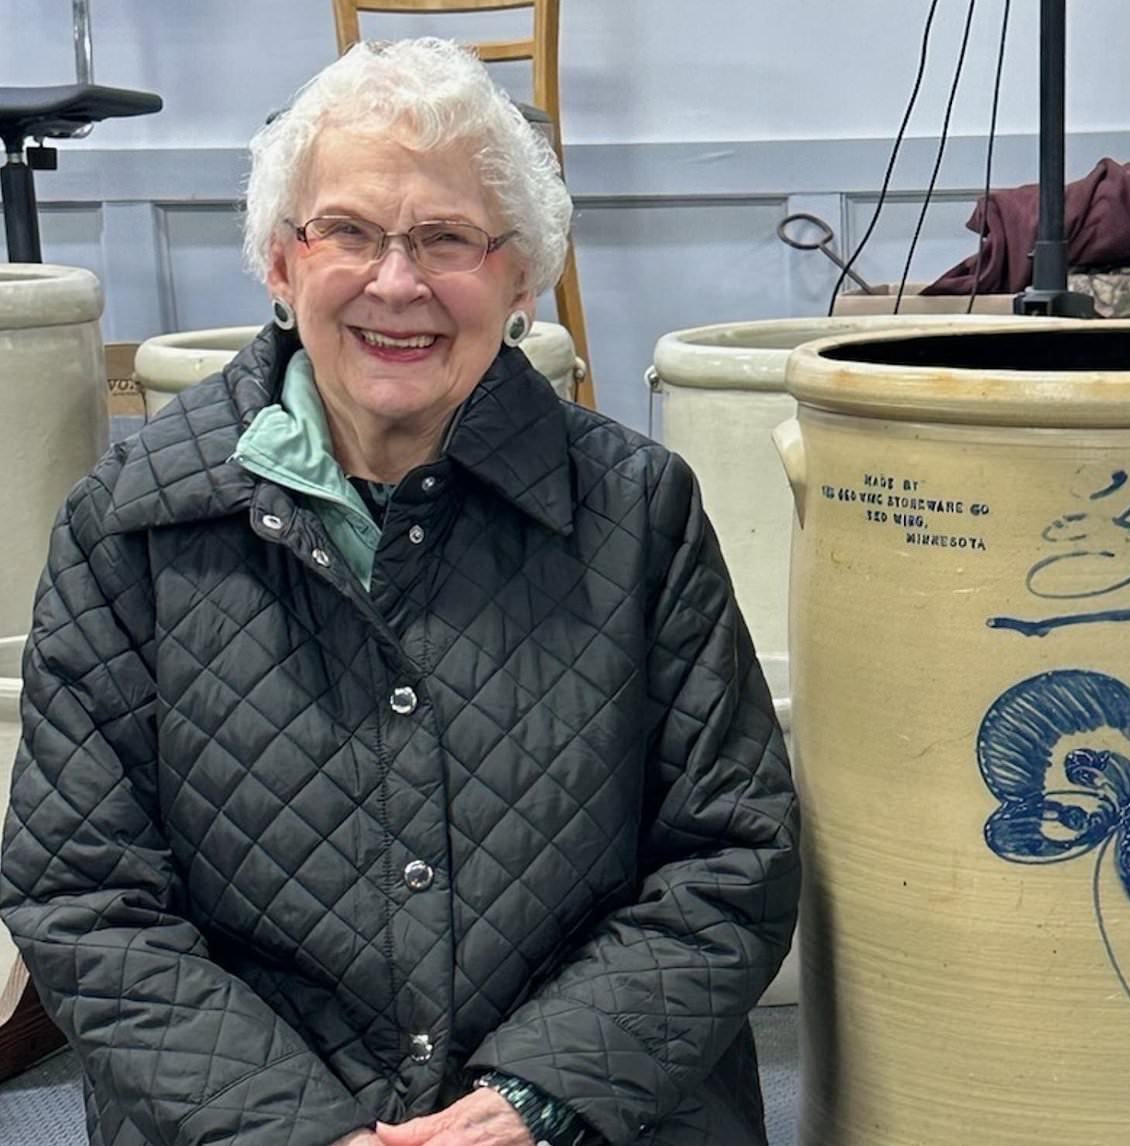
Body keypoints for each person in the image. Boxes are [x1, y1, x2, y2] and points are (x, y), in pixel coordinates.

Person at [0, 38, 797, 1146]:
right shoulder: (131, 524)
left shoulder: (635, 511)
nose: (398, 281)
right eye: (350, 232)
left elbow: (731, 858)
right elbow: (84, 895)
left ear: (520, 277)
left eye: (448, 239)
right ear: (281, 264)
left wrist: (534, 1100)